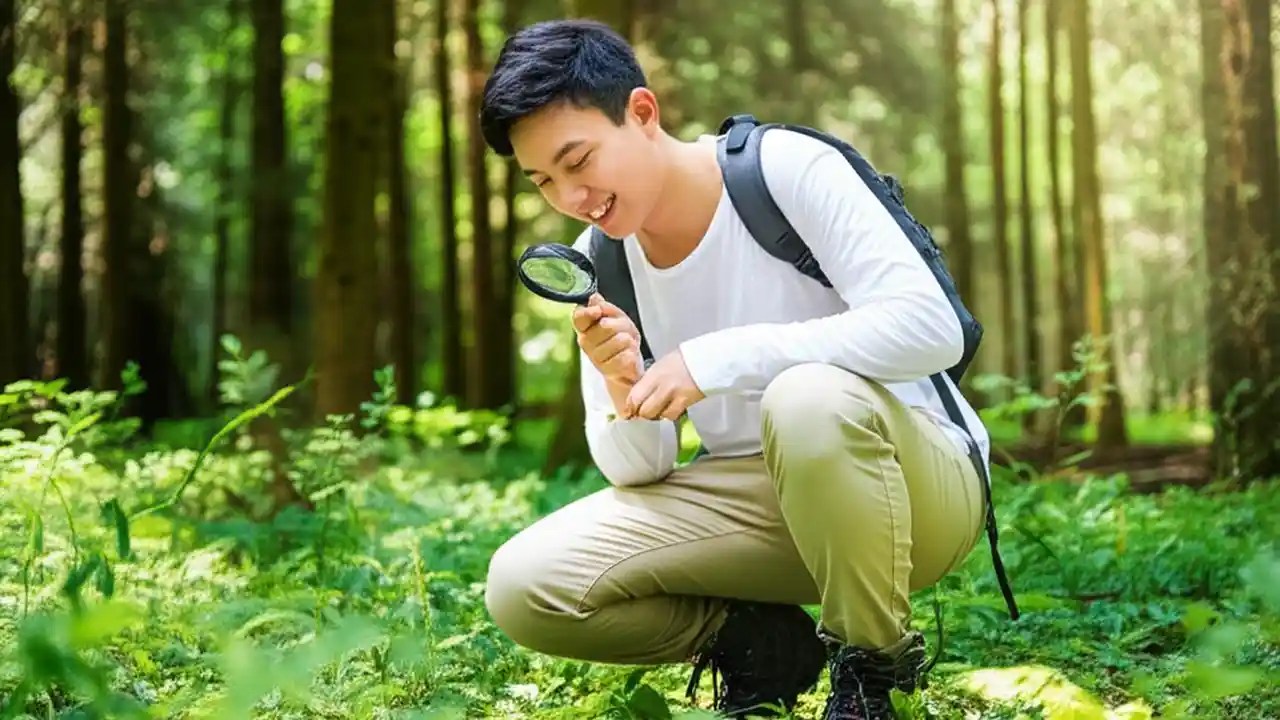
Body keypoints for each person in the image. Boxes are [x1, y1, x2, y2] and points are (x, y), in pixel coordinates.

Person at [478, 18, 992, 720]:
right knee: (524, 585)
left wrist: (715, 359)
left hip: (912, 486)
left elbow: (933, 327)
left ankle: (875, 672)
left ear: (642, 112)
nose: (571, 196)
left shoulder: (782, 169)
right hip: (760, 500)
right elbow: (637, 471)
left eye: (579, 161)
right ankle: (763, 645)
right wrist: (625, 387)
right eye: (543, 180)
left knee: (805, 398)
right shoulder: (601, 259)